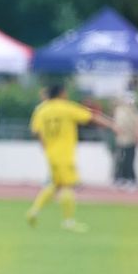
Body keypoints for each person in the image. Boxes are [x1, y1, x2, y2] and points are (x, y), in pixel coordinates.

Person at [26, 85, 115, 232]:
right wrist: (112, 125)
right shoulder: (66, 107)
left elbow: (36, 131)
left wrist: (46, 148)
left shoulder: (41, 110)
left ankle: (33, 212)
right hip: (64, 153)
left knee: (56, 185)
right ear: (61, 93)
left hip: (51, 153)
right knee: (68, 186)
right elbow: (91, 117)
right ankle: (68, 222)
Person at [112, 93, 138, 189]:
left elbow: (137, 126)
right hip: (121, 140)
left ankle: (131, 179)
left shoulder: (135, 112)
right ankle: (119, 178)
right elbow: (116, 123)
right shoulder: (119, 110)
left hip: (131, 139)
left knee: (130, 160)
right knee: (120, 160)